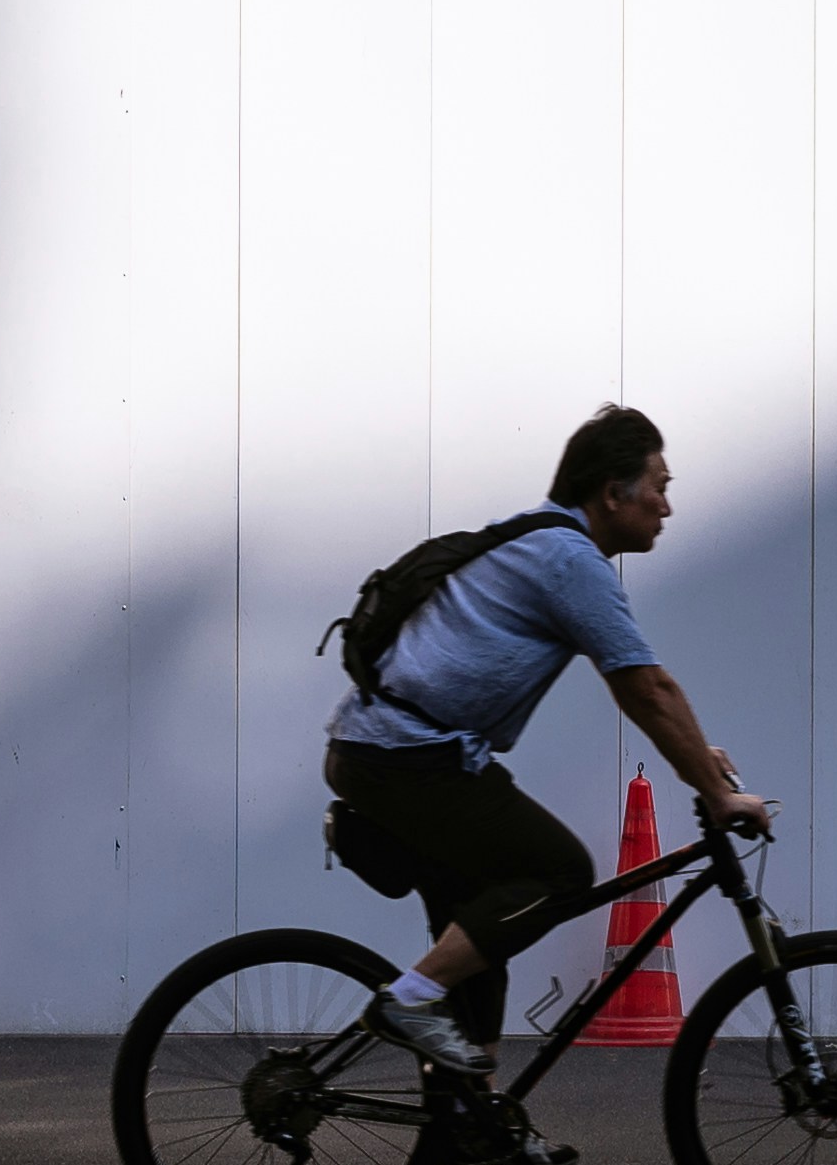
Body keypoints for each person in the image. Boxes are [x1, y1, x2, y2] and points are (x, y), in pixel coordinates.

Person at [328, 402, 770, 1081]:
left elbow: (642, 692)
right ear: (611, 492)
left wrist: (695, 757)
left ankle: (474, 1112)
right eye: (660, 484)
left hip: (403, 752)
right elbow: (646, 688)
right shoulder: (567, 559)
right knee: (558, 872)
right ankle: (406, 1002)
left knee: (481, 930)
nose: (667, 506)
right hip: (405, 756)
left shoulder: (539, 541)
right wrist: (714, 794)